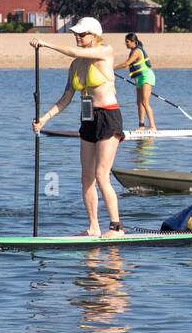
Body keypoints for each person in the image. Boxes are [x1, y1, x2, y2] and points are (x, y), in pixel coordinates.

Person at [30, 17, 126, 237]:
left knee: (102, 175)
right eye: (76, 34)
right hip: (88, 118)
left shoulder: (105, 51)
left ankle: (116, 227)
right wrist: (43, 119)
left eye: (82, 34)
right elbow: (65, 98)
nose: (77, 37)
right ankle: (93, 227)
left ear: (94, 35)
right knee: (86, 177)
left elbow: (73, 51)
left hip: (108, 117)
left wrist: (46, 44)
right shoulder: (75, 66)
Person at [115, 32, 158, 131]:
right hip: (139, 78)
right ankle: (141, 126)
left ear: (134, 42)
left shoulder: (137, 51)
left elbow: (126, 64)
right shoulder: (133, 51)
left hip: (146, 77)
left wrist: (111, 68)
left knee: (145, 102)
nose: (126, 44)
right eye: (125, 42)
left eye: (127, 42)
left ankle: (152, 126)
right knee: (139, 102)